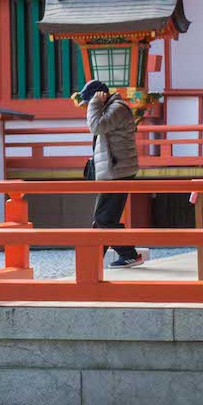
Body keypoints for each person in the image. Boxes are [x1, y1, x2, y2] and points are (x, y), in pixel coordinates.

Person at [83, 79, 144, 269]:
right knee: (103, 218)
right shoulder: (112, 108)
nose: (89, 104)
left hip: (117, 171)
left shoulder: (117, 108)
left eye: (90, 99)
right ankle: (93, 261)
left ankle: (129, 255)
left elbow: (96, 127)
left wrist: (94, 103)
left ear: (99, 95)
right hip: (115, 170)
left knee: (103, 219)